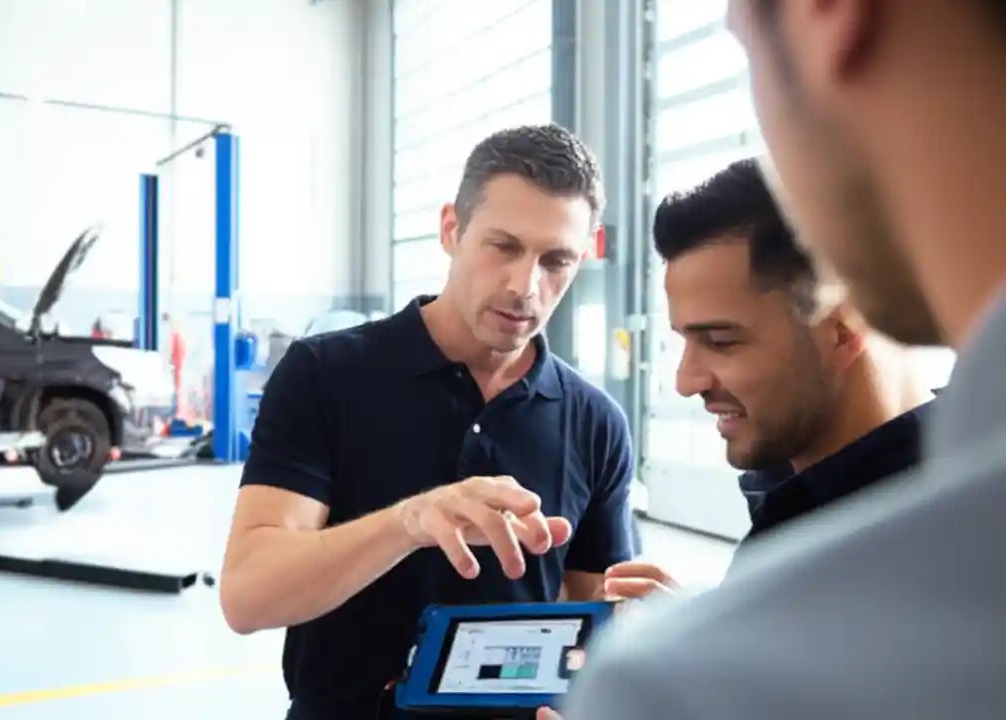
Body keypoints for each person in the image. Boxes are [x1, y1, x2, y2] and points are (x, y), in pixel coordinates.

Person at [556, 1, 1006, 718]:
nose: (685, 380)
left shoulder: (693, 683)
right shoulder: (799, 524)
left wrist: (712, 662)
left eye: (721, 340)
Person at [218, 124, 638, 720]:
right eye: (504, 246)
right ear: (451, 229)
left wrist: (647, 635)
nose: (525, 286)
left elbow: (592, 613)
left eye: (555, 261)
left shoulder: (595, 422)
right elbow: (247, 597)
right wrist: (409, 522)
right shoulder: (325, 375)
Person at [602, 158, 933, 601]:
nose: (685, 381)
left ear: (841, 331)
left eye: (720, 341)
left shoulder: (933, 550)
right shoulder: (802, 501)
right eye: (684, 341)